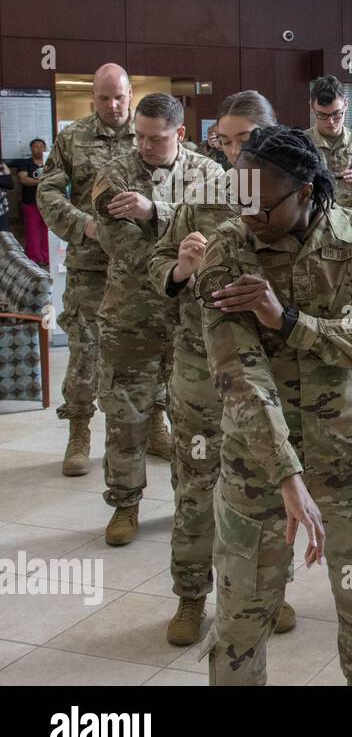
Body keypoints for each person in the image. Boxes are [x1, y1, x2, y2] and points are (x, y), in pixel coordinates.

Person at [197, 125, 352, 685]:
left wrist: (291, 323)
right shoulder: (226, 248)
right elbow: (240, 373)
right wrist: (287, 475)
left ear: (309, 191)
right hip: (258, 469)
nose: (248, 217)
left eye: (263, 207)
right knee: (241, 621)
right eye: (238, 199)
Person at [147, 90, 298, 645]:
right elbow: (156, 267)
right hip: (201, 370)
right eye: (226, 141)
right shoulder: (202, 197)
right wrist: (181, 270)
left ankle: (266, 593)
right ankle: (191, 596)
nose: (235, 154)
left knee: (266, 487)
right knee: (197, 485)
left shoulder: (297, 193)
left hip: (271, 369)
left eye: (248, 140)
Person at [92, 92, 225, 546]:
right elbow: (119, 245)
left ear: (180, 134)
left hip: (189, 318)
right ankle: (125, 503)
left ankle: (189, 508)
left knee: (193, 421)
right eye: (140, 137)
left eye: (156, 138)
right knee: (125, 412)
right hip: (131, 312)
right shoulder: (114, 175)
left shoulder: (207, 173)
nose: (145, 146)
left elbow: (216, 234)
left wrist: (155, 212)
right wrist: (173, 256)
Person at [37, 63, 142, 477]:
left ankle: (152, 427)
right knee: (85, 352)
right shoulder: (73, 138)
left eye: (119, 97)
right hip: (91, 269)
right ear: (92, 99)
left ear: (130, 94)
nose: (113, 105)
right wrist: (84, 225)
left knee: (148, 354)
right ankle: (78, 432)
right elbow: (47, 191)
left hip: (141, 268)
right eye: (104, 98)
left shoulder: (150, 136)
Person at [305, 75, 352, 209]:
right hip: (315, 224)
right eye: (322, 115)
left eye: (337, 114)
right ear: (311, 107)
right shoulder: (302, 145)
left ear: (346, 104)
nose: (330, 122)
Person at [14, 139, 50, 266]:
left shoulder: (50, 161)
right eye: (36, 147)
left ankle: (47, 257)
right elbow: (23, 179)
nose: (40, 149)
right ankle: (34, 258)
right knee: (32, 231)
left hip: (48, 203)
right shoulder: (25, 163)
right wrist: (42, 182)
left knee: (47, 231)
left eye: (42, 147)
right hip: (30, 202)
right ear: (31, 149)